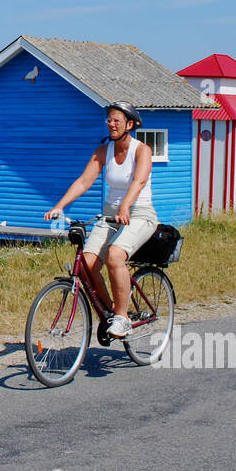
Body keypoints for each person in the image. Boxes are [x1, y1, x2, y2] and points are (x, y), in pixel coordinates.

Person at [44, 101, 158, 337]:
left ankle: (123, 318)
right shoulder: (104, 151)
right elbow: (83, 181)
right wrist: (60, 206)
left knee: (115, 255)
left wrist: (125, 206)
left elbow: (139, 181)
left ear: (130, 124)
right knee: (86, 265)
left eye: (117, 120)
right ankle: (110, 311)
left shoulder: (141, 150)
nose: (111, 124)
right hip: (111, 214)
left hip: (139, 213)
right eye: (109, 120)